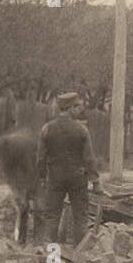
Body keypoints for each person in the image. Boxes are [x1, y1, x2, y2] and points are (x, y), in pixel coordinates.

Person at [37, 91, 99, 246]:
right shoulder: (82, 130)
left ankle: (52, 257)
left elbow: (41, 158)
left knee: (52, 217)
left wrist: (42, 178)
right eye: (76, 107)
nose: (79, 110)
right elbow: (89, 158)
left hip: (55, 178)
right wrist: (96, 181)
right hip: (77, 178)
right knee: (80, 218)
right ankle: (80, 255)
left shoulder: (46, 129)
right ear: (70, 108)